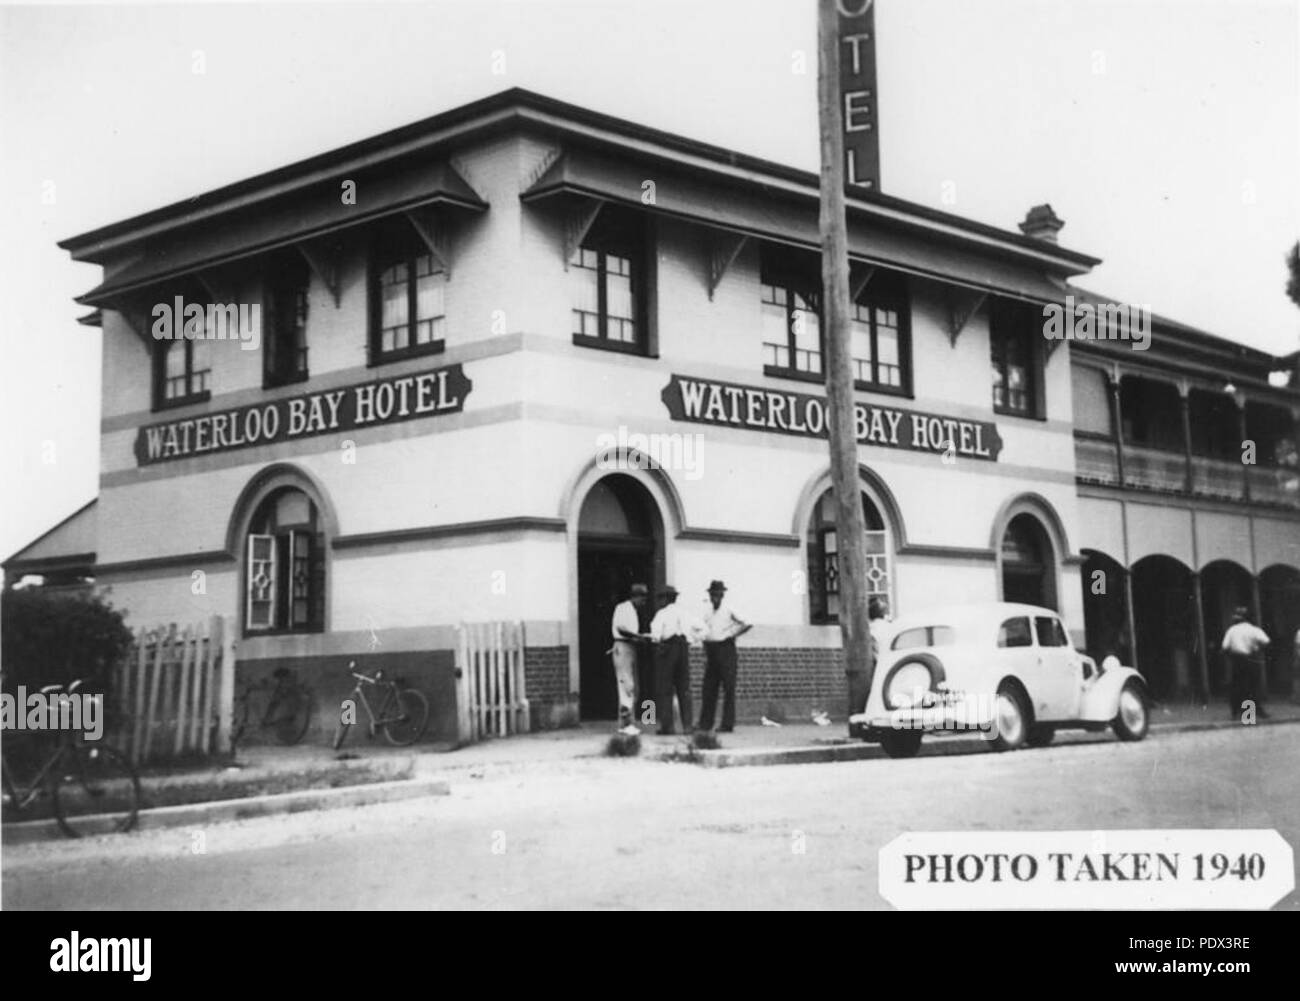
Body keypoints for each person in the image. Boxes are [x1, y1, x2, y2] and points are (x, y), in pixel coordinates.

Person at [695, 580, 751, 733]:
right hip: (711, 650)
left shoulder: (728, 609)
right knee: (709, 688)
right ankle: (705, 723)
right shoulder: (707, 612)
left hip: (725, 649)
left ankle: (727, 724)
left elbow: (747, 623)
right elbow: (703, 628)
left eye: (717, 594)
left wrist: (731, 634)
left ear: (722, 595)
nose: (714, 597)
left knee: (728, 687)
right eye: (712, 594)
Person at [650, 585, 693, 735]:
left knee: (665, 688)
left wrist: (656, 643)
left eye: (661, 598)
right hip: (683, 648)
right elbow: (698, 629)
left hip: (668, 649)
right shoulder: (685, 613)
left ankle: (668, 726)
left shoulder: (661, 614)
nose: (659, 601)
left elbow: (655, 635)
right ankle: (687, 726)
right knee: (684, 688)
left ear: (666, 599)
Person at [609, 583, 649, 735]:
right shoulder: (623, 608)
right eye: (642, 599)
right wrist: (638, 636)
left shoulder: (633, 610)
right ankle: (626, 724)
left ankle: (627, 722)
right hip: (623, 646)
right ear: (636, 597)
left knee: (632, 685)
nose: (643, 602)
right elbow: (621, 628)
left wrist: (638, 639)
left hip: (630, 647)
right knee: (626, 684)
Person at [1222, 606, 1270, 720]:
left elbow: (1225, 647)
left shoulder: (1232, 630)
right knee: (1252, 686)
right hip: (1251, 658)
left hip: (1237, 660)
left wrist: (1231, 657)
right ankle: (1251, 713)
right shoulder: (1253, 629)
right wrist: (1257, 649)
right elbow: (1266, 641)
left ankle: (1236, 713)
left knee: (1237, 686)